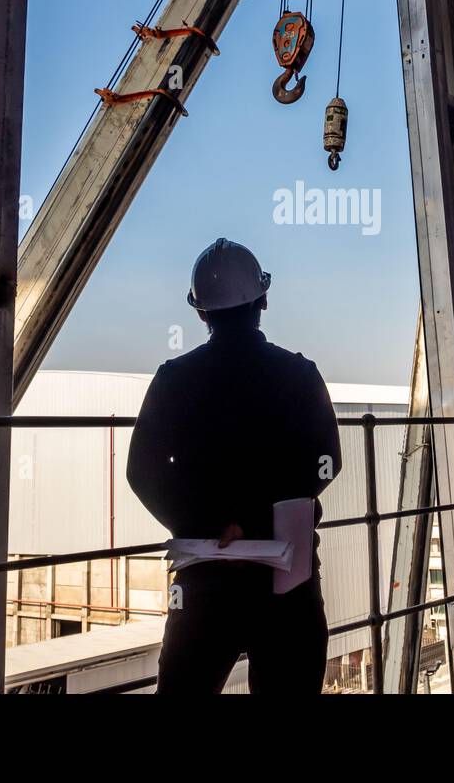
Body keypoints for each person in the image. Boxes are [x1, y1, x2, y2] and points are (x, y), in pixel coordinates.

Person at [127, 238, 342, 694]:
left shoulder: (174, 379)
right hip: (287, 574)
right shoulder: (299, 374)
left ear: (200, 311)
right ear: (263, 300)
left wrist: (212, 526)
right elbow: (327, 462)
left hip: (204, 574)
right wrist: (258, 519)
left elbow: (141, 471)